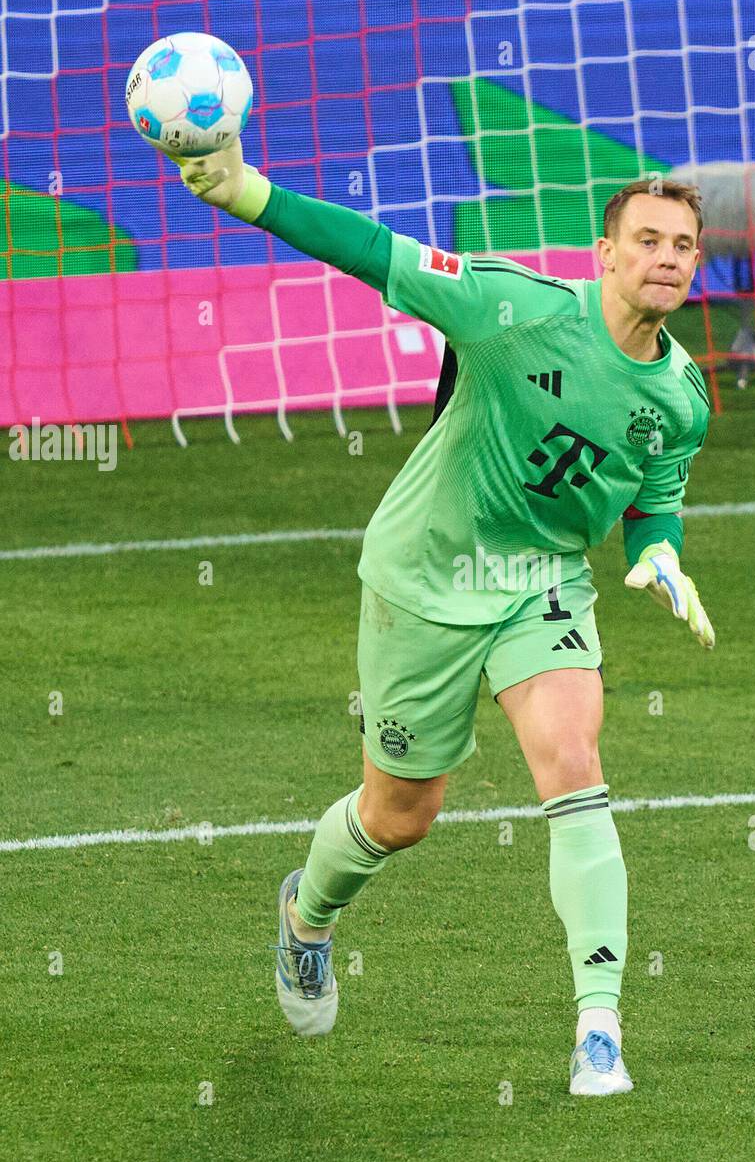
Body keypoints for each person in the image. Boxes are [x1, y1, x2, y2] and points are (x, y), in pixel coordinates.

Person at [174, 142, 714, 1096]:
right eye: (646, 240)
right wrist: (247, 192)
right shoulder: (514, 307)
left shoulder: (679, 397)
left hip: (540, 584)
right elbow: (375, 250)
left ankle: (599, 1026)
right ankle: (308, 920)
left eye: (681, 245)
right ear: (604, 253)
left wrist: (658, 552)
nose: (665, 257)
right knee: (401, 813)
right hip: (423, 576)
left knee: (575, 768)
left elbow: (655, 494)